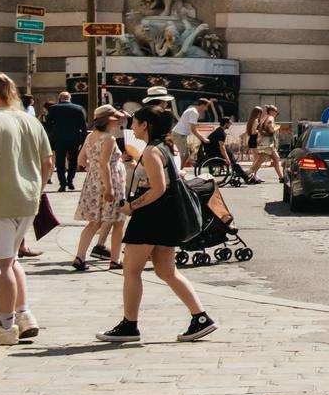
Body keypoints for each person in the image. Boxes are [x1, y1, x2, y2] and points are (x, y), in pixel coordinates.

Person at [102, 104, 215, 343]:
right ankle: (201, 317)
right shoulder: (163, 147)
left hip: (150, 218)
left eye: (135, 122)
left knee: (131, 270)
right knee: (166, 271)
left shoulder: (153, 151)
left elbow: (158, 187)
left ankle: (129, 325)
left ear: (145, 125)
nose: (131, 126)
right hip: (166, 216)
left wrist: (131, 206)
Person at [0, 72, 56, 345]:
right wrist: (36, 189)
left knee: (1, 264)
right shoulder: (30, 120)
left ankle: (4, 325)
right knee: (9, 259)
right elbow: (49, 162)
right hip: (26, 201)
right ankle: (21, 313)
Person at [72, 106, 130, 271]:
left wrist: (95, 167)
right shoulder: (109, 139)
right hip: (110, 181)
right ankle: (115, 259)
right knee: (118, 221)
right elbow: (105, 164)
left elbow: (81, 160)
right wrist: (109, 188)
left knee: (94, 222)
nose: (118, 122)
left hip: (93, 181)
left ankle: (80, 257)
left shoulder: (90, 137)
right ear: (110, 120)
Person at [45, 92, 88, 192]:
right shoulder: (78, 109)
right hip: (74, 139)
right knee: (73, 161)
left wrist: (53, 133)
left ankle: (62, 184)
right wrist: (82, 140)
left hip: (59, 139)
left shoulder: (53, 108)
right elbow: (83, 126)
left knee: (60, 162)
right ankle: (70, 181)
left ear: (59, 99)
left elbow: (47, 124)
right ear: (70, 98)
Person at [245, 107, 283, 181]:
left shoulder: (265, 117)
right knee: (260, 160)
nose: (276, 113)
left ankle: (281, 177)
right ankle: (247, 173)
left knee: (276, 158)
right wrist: (277, 128)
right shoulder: (270, 118)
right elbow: (270, 129)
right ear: (271, 111)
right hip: (267, 143)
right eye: (276, 112)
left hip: (267, 143)